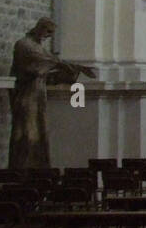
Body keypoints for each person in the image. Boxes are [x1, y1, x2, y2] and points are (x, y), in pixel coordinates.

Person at [8, 18, 95, 170]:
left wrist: (67, 73)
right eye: (48, 31)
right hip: (26, 97)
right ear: (39, 27)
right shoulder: (25, 45)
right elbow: (43, 62)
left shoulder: (38, 47)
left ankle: (37, 170)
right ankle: (21, 171)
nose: (48, 36)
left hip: (38, 96)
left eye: (51, 33)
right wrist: (67, 65)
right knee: (26, 134)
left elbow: (46, 70)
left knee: (39, 135)